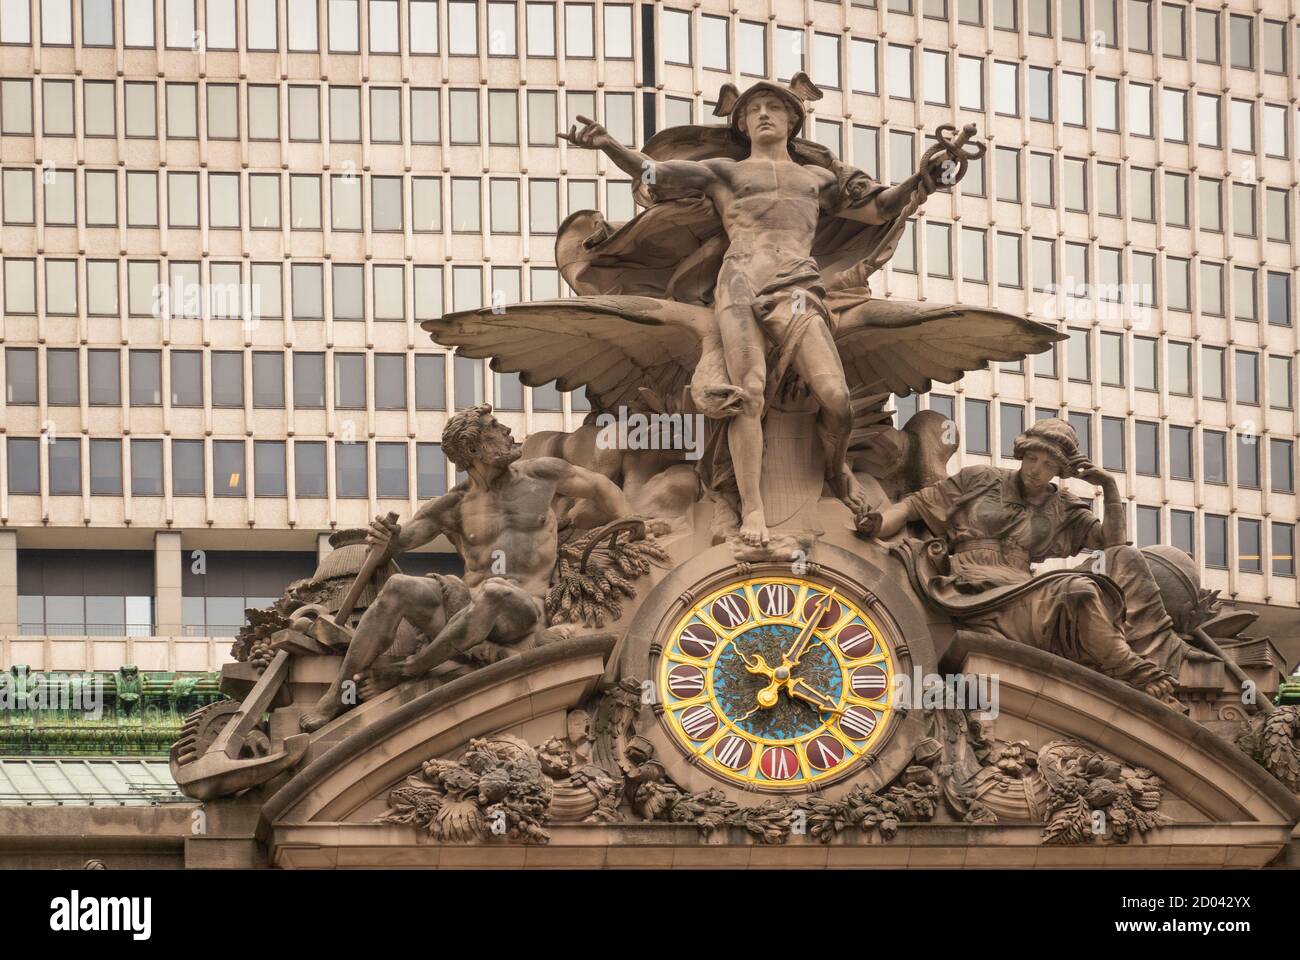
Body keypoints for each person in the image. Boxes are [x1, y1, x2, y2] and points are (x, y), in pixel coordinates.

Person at [560, 74, 948, 548]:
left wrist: (925, 177)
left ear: (792, 120)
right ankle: (754, 509)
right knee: (749, 393)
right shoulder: (726, 172)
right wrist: (609, 146)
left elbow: (879, 207)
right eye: (753, 109)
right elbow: (655, 175)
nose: (763, 114)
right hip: (740, 282)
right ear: (742, 123)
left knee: (836, 397)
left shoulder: (820, 178)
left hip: (800, 286)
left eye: (774, 107)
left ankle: (836, 469)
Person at [299, 405, 636, 732]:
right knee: (400, 585)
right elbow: (401, 542)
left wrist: (633, 524)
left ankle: (409, 669)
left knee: (495, 591)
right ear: (474, 448)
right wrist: (385, 537)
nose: (507, 431)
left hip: (519, 612)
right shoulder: (452, 505)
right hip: (465, 610)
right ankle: (335, 696)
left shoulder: (540, 474)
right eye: (494, 428)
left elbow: (599, 486)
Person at [858, 419, 1200, 702]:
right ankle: (1129, 666)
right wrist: (877, 522)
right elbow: (911, 507)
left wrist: (1108, 487)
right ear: (1023, 452)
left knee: (1114, 566)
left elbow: (1113, 545)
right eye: (1033, 458)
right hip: (970, 585)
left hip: (1024, 588)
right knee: (1079, 589)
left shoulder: (1062, 506)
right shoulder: (980, 479)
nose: (1037, 470)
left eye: (1049, 464)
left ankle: (1145, 654)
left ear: (1061, 470)